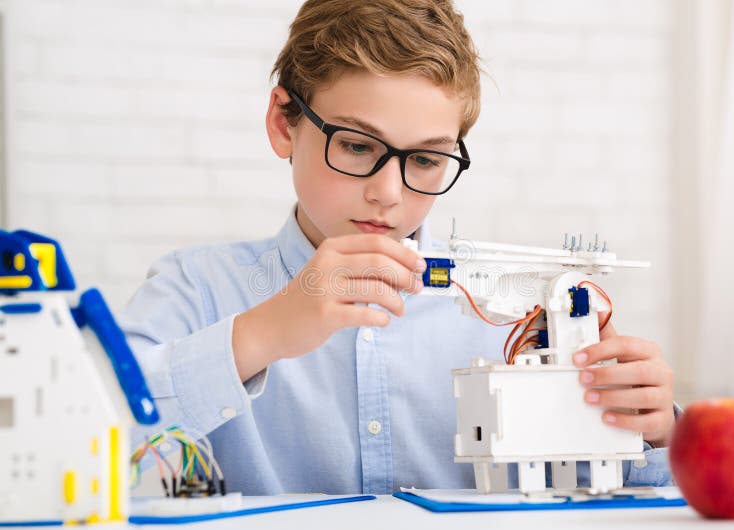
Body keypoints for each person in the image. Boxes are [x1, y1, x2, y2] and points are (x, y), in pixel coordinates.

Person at [119, 0, 676, 495]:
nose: (388, 193)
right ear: (284, 125)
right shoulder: (196, 288)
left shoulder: (514, 313)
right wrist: (261, 334)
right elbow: (98, 435)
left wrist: (654, 433)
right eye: (357, 146)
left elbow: (591, 494)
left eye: (426, 159)